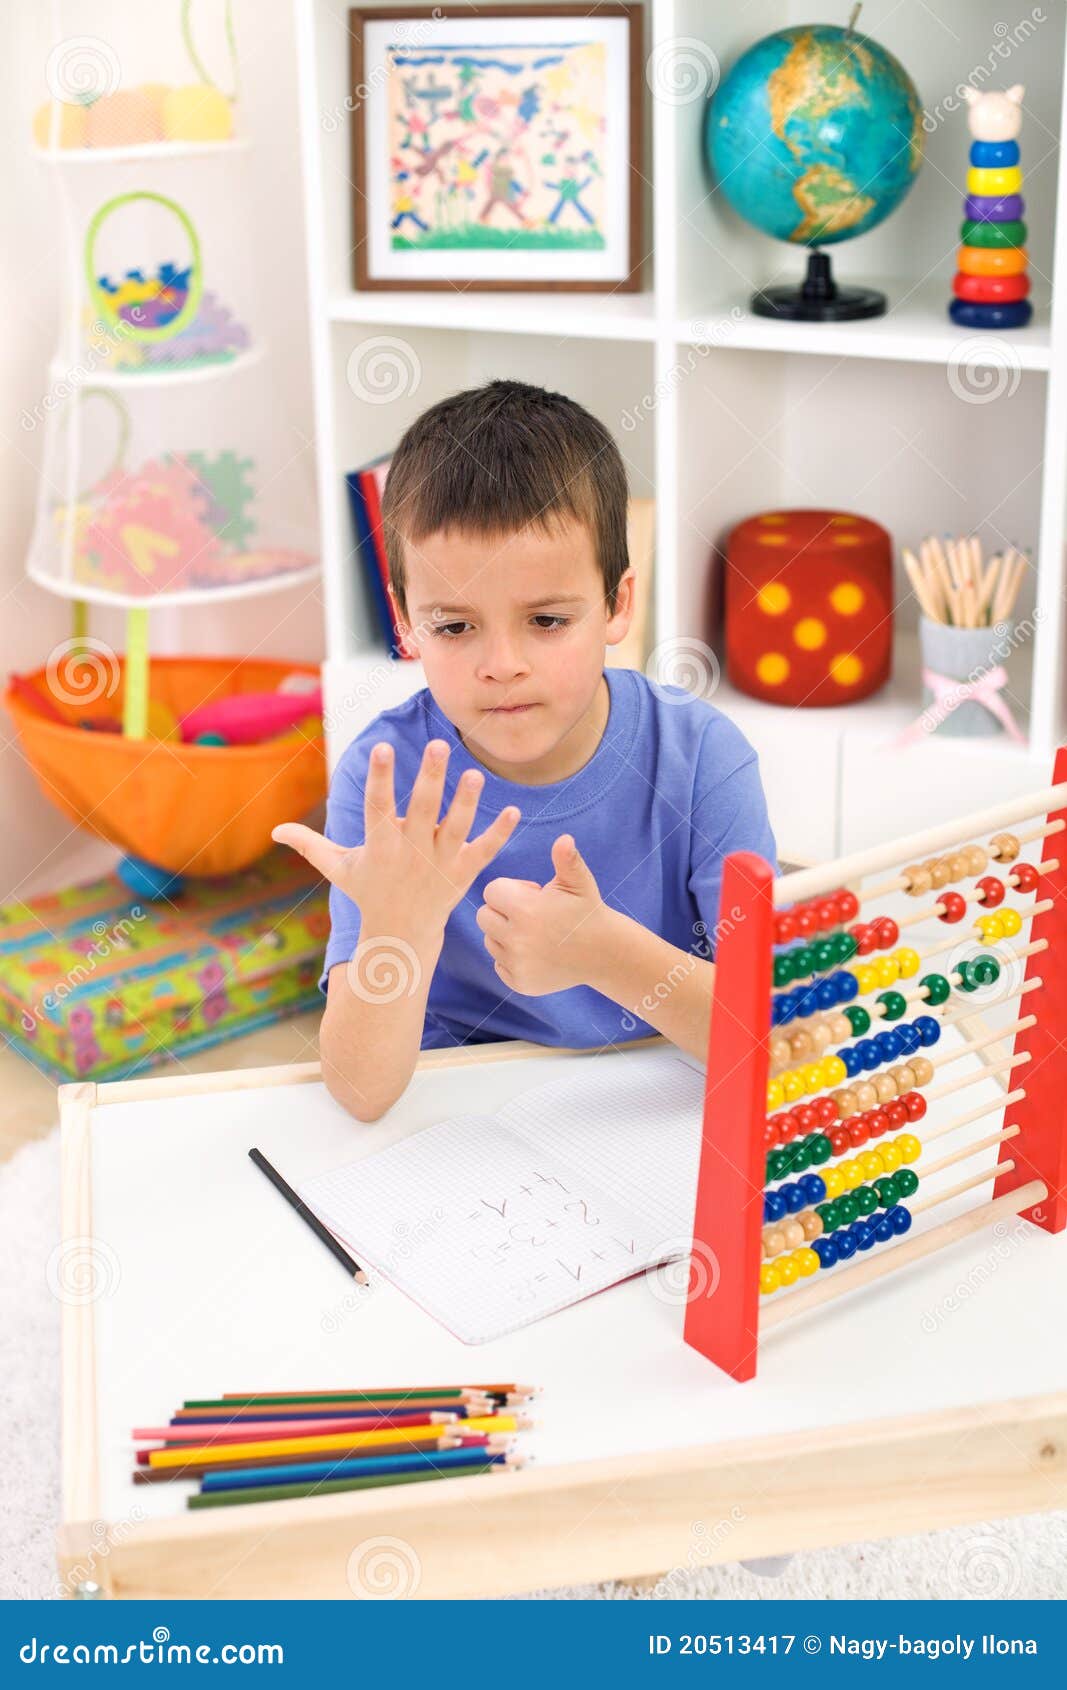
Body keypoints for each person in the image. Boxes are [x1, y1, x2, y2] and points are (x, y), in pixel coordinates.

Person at [273, 379, 778, 1123]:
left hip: (661, 1097)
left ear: (616, 605)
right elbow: (360, 1092)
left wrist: (601, 953)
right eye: (453, 627)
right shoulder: (385, 782)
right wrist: (397, 929)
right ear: (406, 623)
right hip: (464, 1120)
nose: (501, 664)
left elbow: (770, 1042)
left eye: (545, 619)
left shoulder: (702, 757)